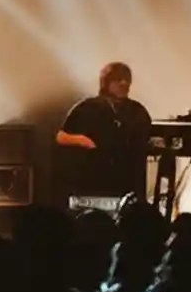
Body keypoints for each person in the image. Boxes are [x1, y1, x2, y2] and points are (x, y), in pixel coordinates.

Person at [56, 61, 152, 201]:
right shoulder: (87, 108)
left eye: (126, 79)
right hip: (93, 185)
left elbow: (146, 139)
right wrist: (84, 142)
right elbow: (61, 137)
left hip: (128, 186)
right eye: (118, 79)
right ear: (106, 82)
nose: (124, 83)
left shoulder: (138, 111)